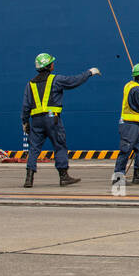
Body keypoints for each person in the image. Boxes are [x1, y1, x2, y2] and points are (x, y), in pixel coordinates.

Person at [21, 53, 98, 188]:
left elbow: (26, 106)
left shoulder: (30, 84)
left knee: (34, 149)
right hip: (52, 119)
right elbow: (74, 81)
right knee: (59, 145)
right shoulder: (55, 80)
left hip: (36, 121)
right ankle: (63, 177)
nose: (53, 64)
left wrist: (25, 122)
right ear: (48, 66)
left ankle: (29, 178)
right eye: (52, 63)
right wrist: (89, 73)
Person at [113, 63, 139, 185]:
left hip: (132, 125)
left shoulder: (129, 85)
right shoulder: (136, 89)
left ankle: (138, 175)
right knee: (125, 150)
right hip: (129, 125)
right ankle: (118, 178)